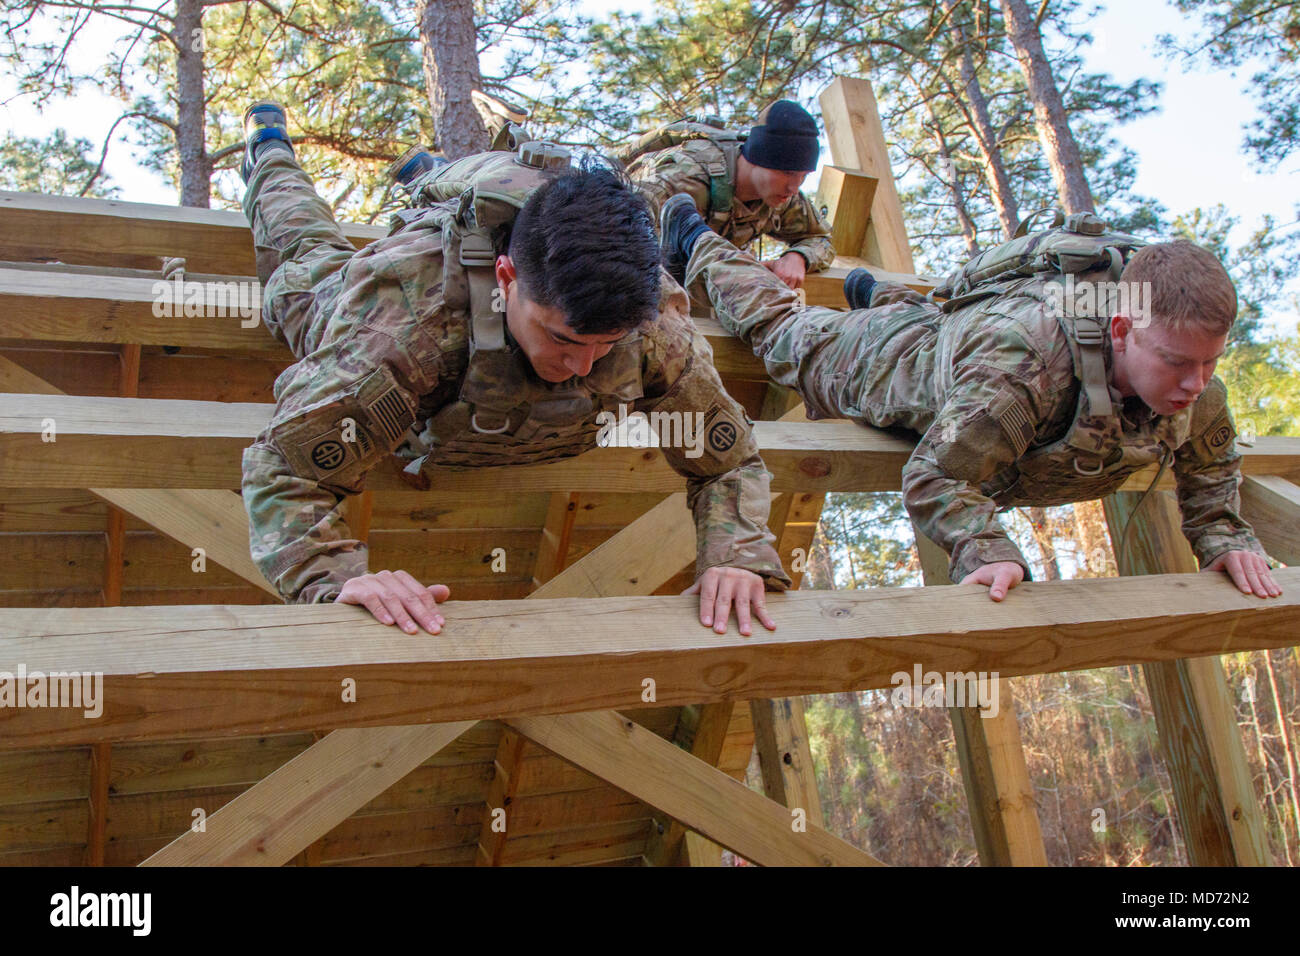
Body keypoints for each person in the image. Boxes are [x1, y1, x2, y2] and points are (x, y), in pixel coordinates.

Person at [237, 102, 793, 637]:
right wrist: (334, 579)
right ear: (506, 279)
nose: (580, 365)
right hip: (352, 297)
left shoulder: (656, 331)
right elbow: (283, 467)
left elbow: (730, 461)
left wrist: (737, 554)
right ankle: (269, 148)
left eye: (605, 346)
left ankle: (434, 172)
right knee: (305, 246)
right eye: (562, 338)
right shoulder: (409, 323)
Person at [658, 193, 1282, 601]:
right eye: (1177, 363)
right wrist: (985, 546)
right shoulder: (1025, 368)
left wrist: (1223, 536)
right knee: (784, 333)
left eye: (1210, 362)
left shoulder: (1197, 387)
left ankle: (874, 294)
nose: (1195, 384)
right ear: (1122, 330)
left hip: (965, 344)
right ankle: (697, 241)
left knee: (931, 324)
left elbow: (1212, 462)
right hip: (902, 365)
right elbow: (933, 474)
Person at [623, 100, 834, 291]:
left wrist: (798, 257)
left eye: (803, 176)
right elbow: (621, 236)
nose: (794, 188)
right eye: (788, 173)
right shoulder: (685, 179)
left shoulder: (784, 198)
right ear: (757, 159)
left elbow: (822, 238)